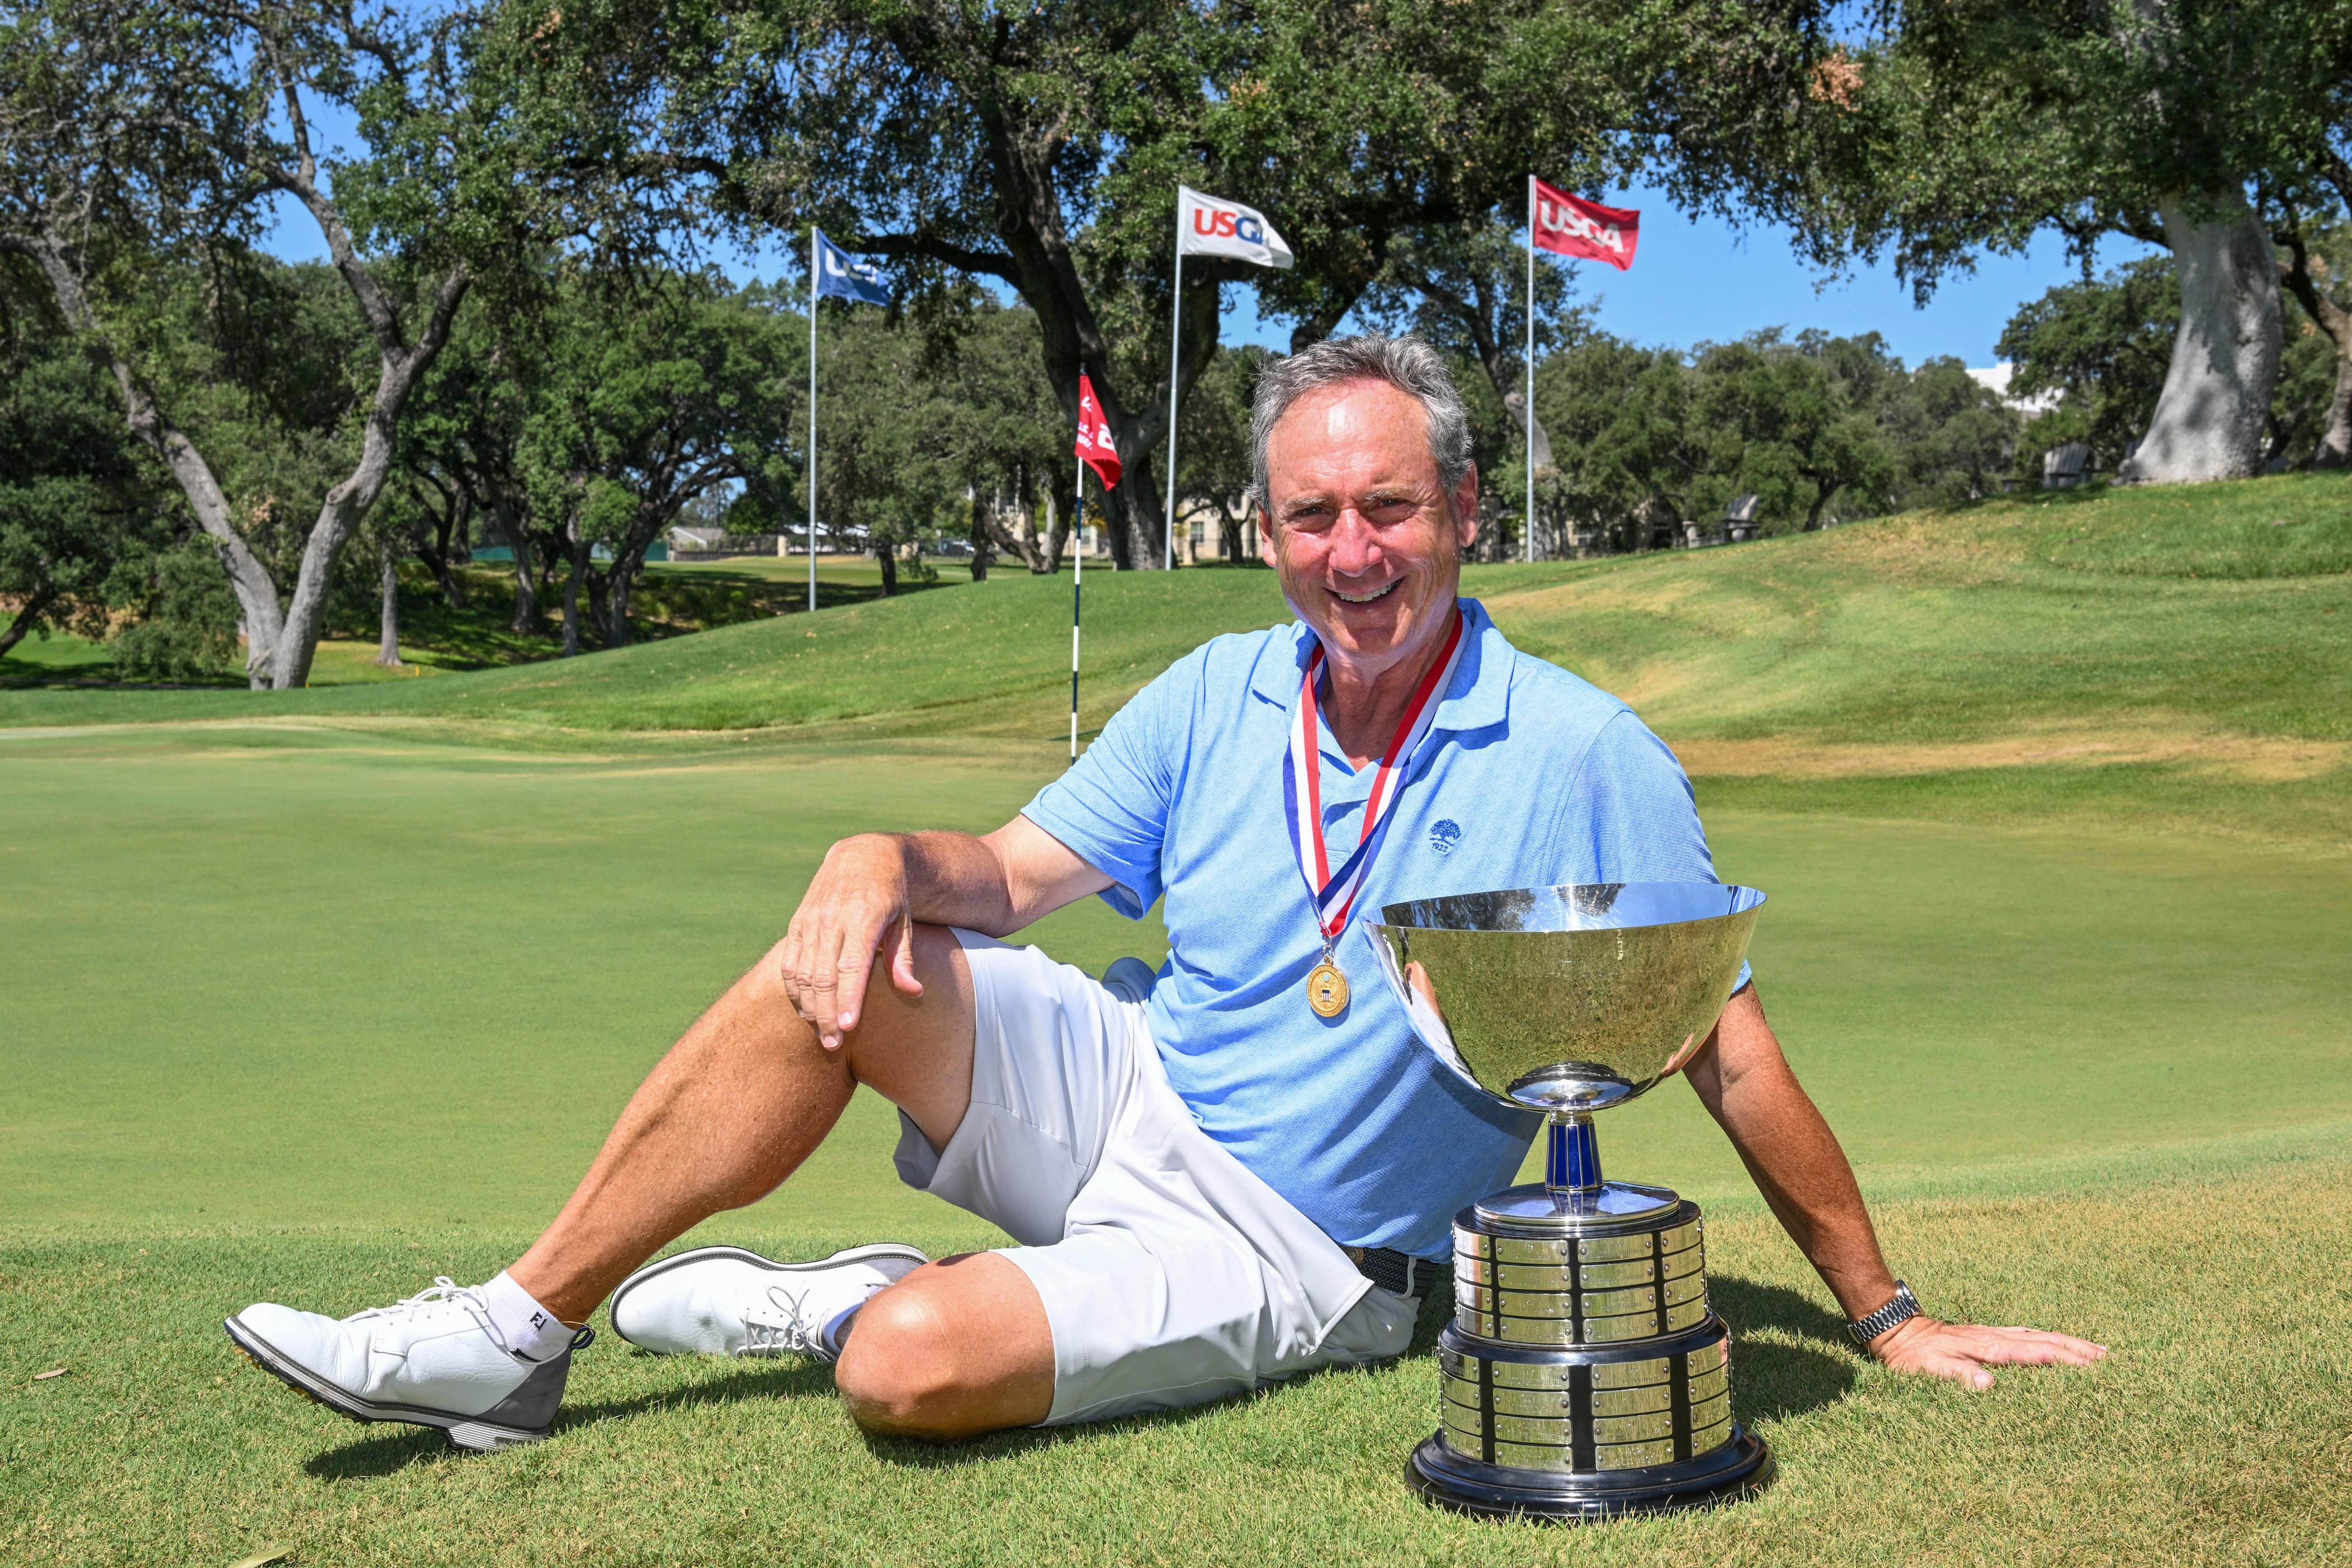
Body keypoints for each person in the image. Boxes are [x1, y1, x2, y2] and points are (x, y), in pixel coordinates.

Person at [225, 334, 2104, 1452]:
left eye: (1388, 511)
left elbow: (1724, 1046)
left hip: (1310, 1253)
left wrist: (1883, 1316)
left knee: (904, 1372)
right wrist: (878, 853)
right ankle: (515, 1332)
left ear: (1459, 512)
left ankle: (853, 1294)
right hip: (1132, 1091)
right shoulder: (1220, 687)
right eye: (1311, 516)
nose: (1351, 555)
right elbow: (1015, 878)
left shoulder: (1582, 746)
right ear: (1268, 523)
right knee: (848, 953)